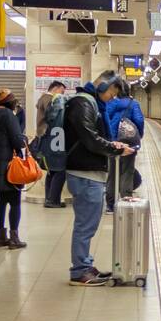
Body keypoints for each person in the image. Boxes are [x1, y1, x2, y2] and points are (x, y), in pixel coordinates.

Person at [63, 70, 135, 286]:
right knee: (85, 225)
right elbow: (91, 140)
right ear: (103, 86)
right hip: (84, 173)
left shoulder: (90, 103)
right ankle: (79, 271)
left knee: (89, 223)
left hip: (89, 172)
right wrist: (114, 149)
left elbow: (94, 137)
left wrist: (114, 145)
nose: (112, 98)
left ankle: (85, 265)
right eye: (112, 93)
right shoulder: (83, 104)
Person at [0, 90, 29, 249]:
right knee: (15, 202)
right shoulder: (8, 115)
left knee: (1, 200)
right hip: (10, 165)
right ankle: (14, 238)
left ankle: (0, 237)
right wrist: (24, 139)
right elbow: (17, 141)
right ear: (9, 102)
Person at [104, 78, 145, 213]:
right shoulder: (133, 104)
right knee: (127, 172)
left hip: (113, 143)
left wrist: (109, 138)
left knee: (112, 173)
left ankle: (110, 205)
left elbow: (105, 120)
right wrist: (138, 135)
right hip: (128, 143)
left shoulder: (110, 103)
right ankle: (125, 202)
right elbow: (139, 120)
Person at [36, 81, 68, 208]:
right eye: (62, 91)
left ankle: (49, 199)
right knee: (60, 170)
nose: (62, 94)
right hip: (52, 136)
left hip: (46, 137)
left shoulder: (42, 98)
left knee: (51, 171)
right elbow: (52, 116)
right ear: (56, 88)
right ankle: (53, 200)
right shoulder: (50, 99)